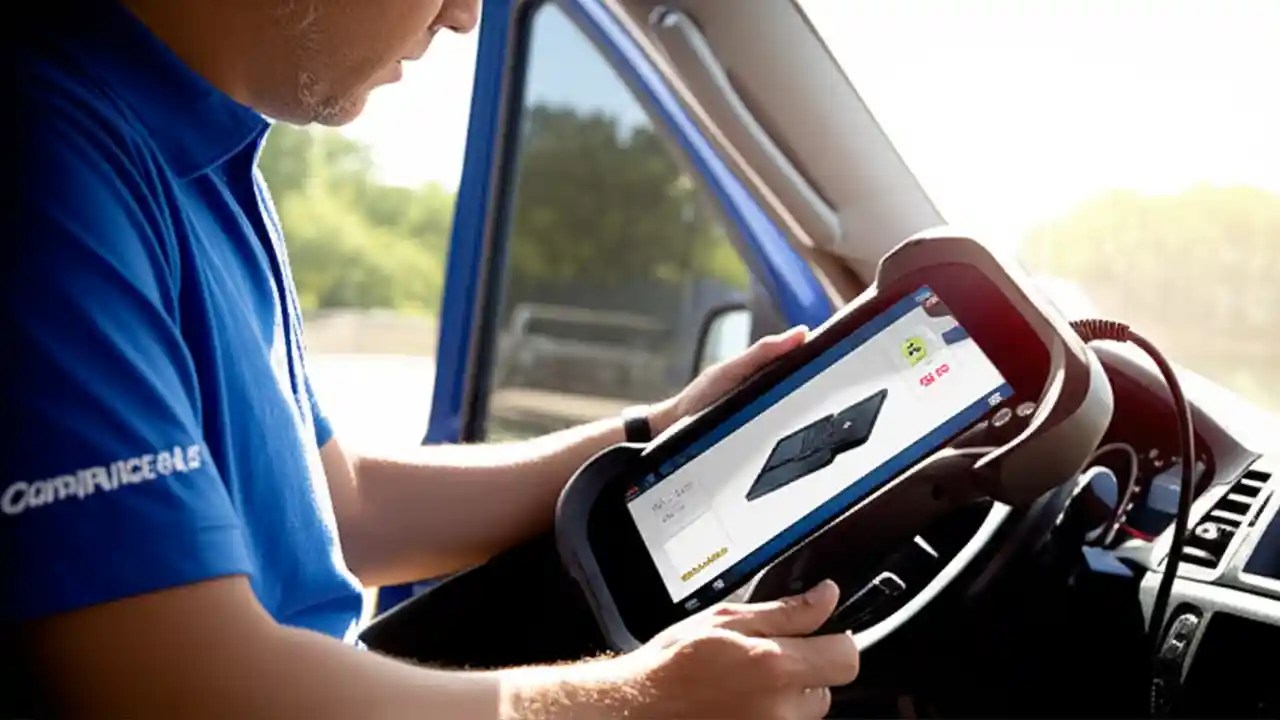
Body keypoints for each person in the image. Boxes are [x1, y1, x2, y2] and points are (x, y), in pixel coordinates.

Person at [3, 0, 860, 717]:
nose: (463, 16)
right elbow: (180, 680)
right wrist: (639, 702)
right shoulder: (48, 161)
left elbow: (341, 504)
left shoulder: (201, 157)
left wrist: (656, 430)